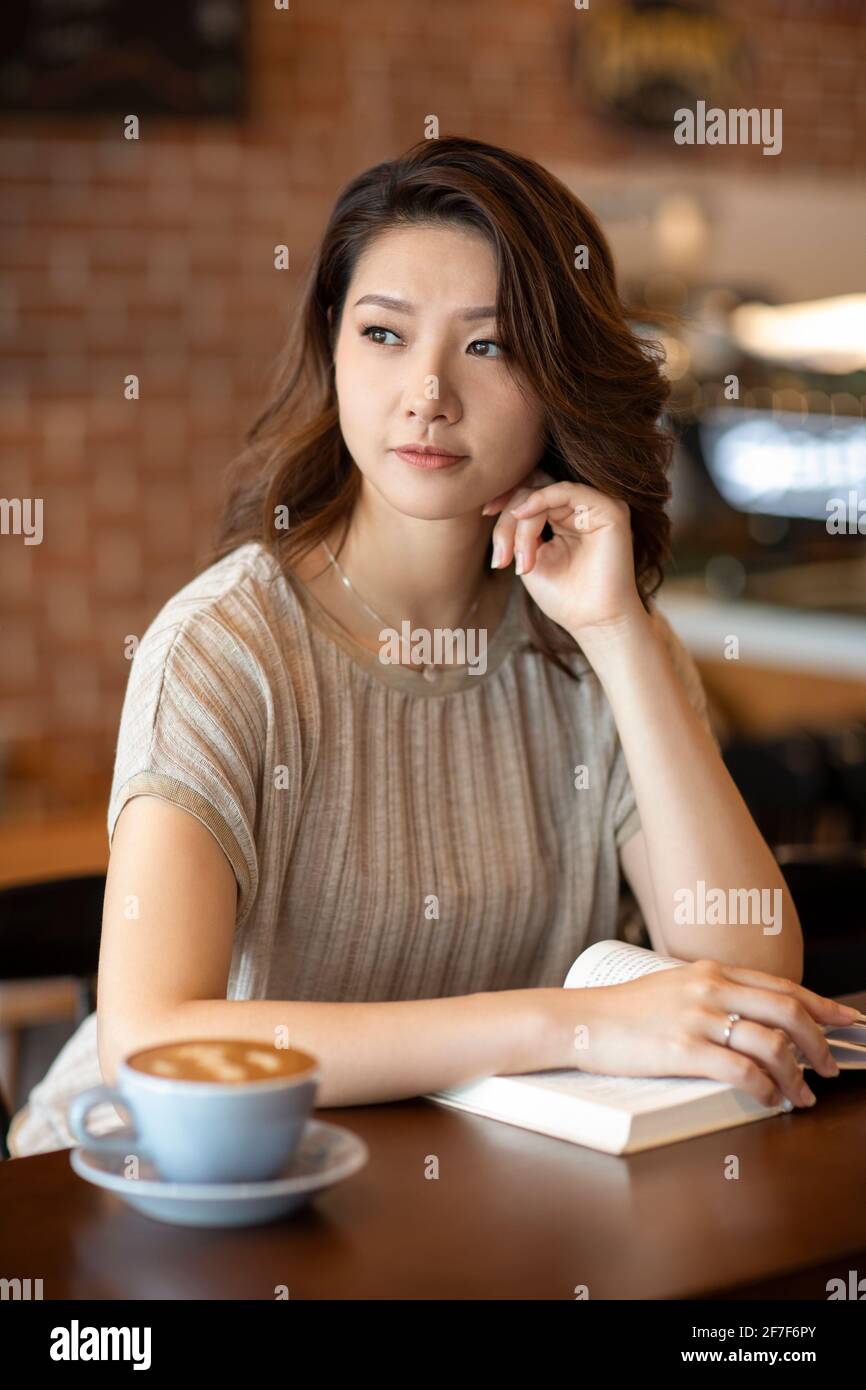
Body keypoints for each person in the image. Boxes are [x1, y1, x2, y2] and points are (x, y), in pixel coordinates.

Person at [10, 135, 853, 1158]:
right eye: (382, 334)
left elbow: (748, 967)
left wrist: (619, 633)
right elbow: (150, 1038)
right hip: (201, 1187)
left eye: (486, 346)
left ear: (558, 381)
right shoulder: (223, 649)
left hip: (471, 1188)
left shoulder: (596, 639)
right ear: (331, 348)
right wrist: (568, 1023)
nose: (427, 392)